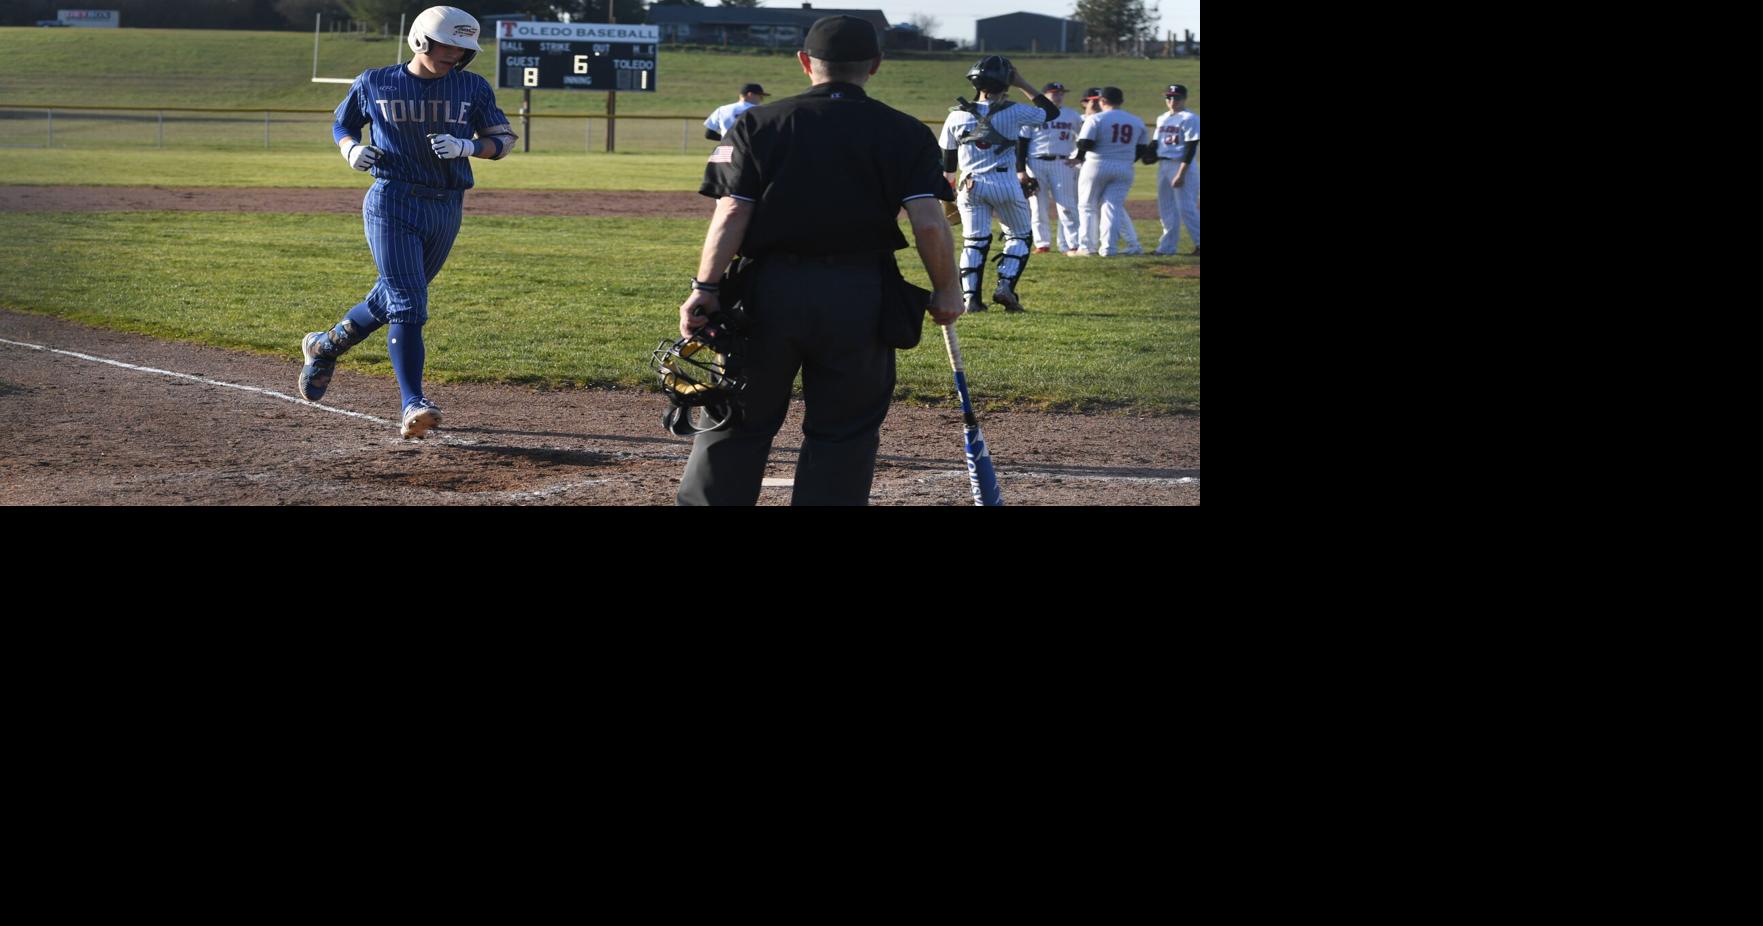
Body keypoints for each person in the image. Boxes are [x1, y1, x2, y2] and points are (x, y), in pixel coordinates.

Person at [674, 15, 962, 506]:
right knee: (843, 432)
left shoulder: (757, 122)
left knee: (737, 420)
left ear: (805, 62)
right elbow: (930, 223)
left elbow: (732, 212)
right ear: (875, 65)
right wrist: (948, 288)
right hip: (860, 295)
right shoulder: (906, 131)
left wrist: (705, 287)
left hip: (767, 293)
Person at [298, 5, 515, 439]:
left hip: (446, 206)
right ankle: (412, 403)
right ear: (420, 40)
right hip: (391, 200)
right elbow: (343, 123)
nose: (455, 55)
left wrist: (469, 147)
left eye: (462, 48)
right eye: (447, 45)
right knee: (409, 302)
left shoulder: (472, 87)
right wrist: (350, 149)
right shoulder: (375, 81)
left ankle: (325, 346)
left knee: (395, 299)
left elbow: (503, 139)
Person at [938, 56, 1062, 313]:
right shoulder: (1015, 111)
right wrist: (1022, 83)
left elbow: (948, 161)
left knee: (974, 241)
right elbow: (1051, 112)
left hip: (970, 186)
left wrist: (948, 190)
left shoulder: (956, 116)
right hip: (1005, 183)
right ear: (1006, 83)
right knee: (1019, 235)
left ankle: (970, 300)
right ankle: (1005, 285)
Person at [1074, 86, 1150, 257]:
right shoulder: (1136, 120)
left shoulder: (1096, 119)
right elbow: (1142, 148)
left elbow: (1084, 144)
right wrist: (1125, 158)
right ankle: (1109, 248)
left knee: (1087, 206)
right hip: (1124, 166)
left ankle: (1087, 247)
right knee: (1112, 207)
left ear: (1102, 101)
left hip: (1097, 164)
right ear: (1121, 101)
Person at [1024, 81, 1082, 254]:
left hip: (1062, 162)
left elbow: (1084, 137)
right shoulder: (1034, 114)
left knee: (1067, 205)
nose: (1059, 95)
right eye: (1054, 93)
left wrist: (1079, 157)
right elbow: (1022, 141)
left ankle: (1074, 243)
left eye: (1061, 93)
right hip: (1035, 162)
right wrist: (1021, 167)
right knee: (1037, 206)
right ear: (1044, 95)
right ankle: (1042, 244)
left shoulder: (1072, 115)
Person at [1154, 83, 1201, 256]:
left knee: (1186, 208)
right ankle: (1166, 247)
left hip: (1182, 165)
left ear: (1184, 99)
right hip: (1163, 165)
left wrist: (1181, 174)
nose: (1172, 101)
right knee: (1166, 208)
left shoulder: (1190, 118)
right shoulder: (1162, 118)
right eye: (1169, 97)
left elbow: (1190, 148)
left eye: (1176, 97)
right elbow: (1155, 143)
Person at [703, 83, 769, 142]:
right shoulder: (760, 110)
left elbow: (709, 134)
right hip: (749, 149)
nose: (761, 99)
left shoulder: (722, 109)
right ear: (750, 94)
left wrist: (728, 140)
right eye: (760, 96)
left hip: (725, 149)